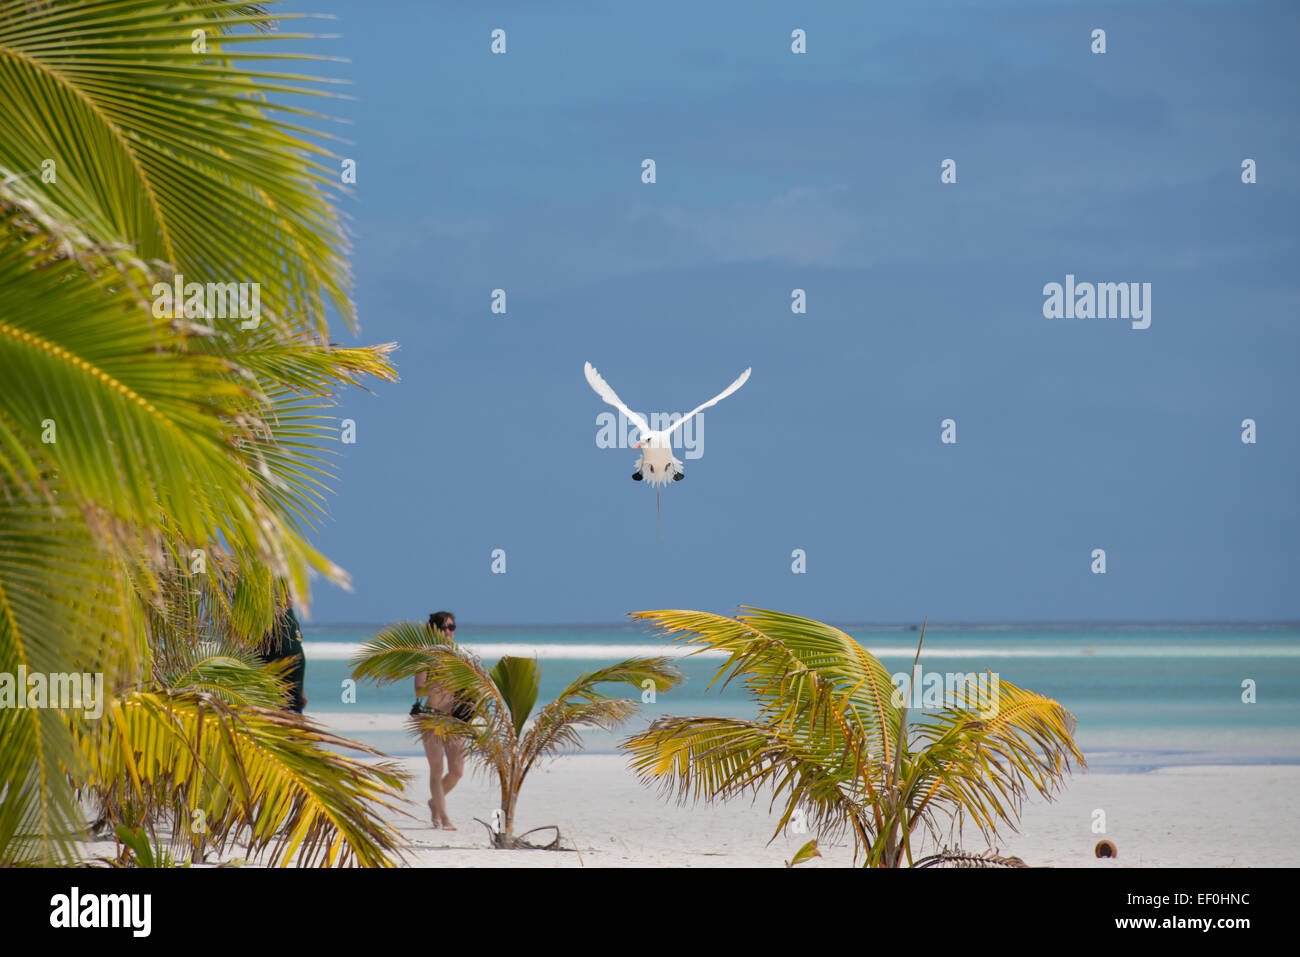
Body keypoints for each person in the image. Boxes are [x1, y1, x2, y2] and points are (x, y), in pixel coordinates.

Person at [412, 611, 467, 830]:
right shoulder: (425, 656)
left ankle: (434, 802)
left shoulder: (458, 656)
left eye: (451, 627)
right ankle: (443, 817)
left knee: (457, 771)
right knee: (437, 768)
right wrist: (437, 685)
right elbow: (418, 689)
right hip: (431, 717)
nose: (448, 632)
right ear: (433, 631)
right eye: (443, 628)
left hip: (454, 719)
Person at [259, 593, 307, 713]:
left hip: (294, 701)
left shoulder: (289, 616)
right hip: (273, 704)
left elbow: (294, 649)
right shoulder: (265, 620)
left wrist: (300, 691)